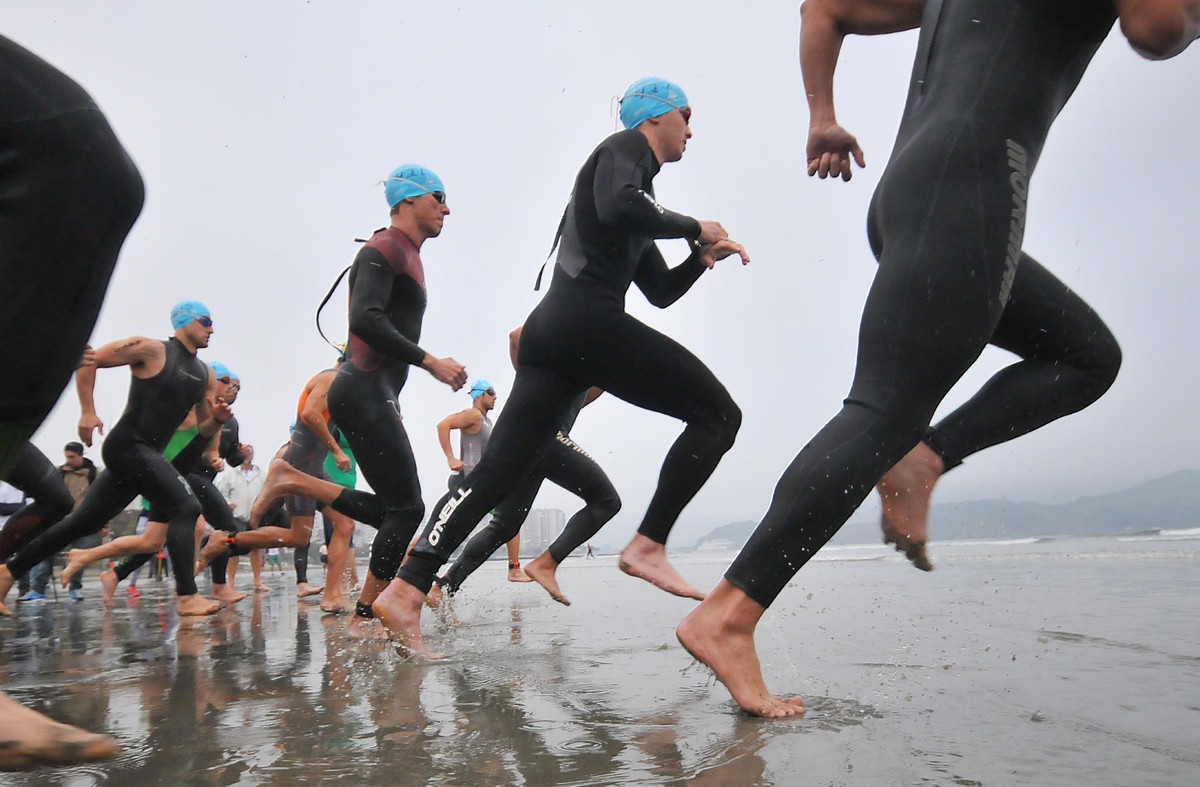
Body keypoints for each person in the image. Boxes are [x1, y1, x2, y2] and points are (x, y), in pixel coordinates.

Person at [676, 0, 1199, 719]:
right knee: (881, 410)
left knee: (1086, 355)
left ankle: (924, 457)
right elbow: (1156, 27)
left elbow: (822, 6)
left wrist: (821, 116)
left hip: (913, 190)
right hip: (974, 186)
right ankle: (729, 613)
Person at [385, 77, 750, 658]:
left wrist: (698, 258)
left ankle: (406, 591)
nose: (691, 129)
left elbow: (657, 291)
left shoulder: (634, 203)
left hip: (554, 337)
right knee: (719, 416)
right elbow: (622, 204)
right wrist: (693, 225)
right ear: (655, 118)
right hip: (583, 325)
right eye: (685, 115)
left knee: (498, 474)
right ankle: (648, 544)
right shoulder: (625, 151)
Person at [199, 164, 466, 636]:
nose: (446, 207)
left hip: (376, 391)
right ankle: (370, 615)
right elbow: (365, 319)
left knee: (397, 511)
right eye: (437, 196)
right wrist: (430, 362)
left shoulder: (407, 252)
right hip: (361, 389)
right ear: (406, 200)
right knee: (407, 509)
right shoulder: (383, 248)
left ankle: (291, 483)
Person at [0, 33, 144, 769]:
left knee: (115, 523)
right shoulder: (159, 347)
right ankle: (66, 567)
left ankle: (69, 566)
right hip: (130, 451)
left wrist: (218, 444)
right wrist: (88, 409)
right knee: (84, 169)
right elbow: (92, 356)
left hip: (156, 460)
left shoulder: (210, 390)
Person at [0, 301, 227, 619]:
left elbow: (203, 428)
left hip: (146, 454)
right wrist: (88, 410)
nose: (211, 329)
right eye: (205, 321)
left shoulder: (205, 374)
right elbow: (88, 359)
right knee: (186, 507)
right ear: (184, 321)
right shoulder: (150, 349)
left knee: (82, 523)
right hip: (126, 446)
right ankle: (187, 597)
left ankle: (7, 573)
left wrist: (216, 420)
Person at [430, 326, 621, 606]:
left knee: (504, 526)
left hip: (529, 449)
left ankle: (445, 584)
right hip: (548, 440)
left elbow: (592, 391)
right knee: (607, 502)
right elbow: (516, 336)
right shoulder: (552, 365)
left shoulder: (580, 382)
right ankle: (547, 562)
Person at [434, 378, 530, 582]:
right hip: (468, 482)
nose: (495, 397)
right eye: (491, 392)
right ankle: (513, 569)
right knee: (509, 520)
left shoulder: (486, 421)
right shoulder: (472, 415)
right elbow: (443, 425)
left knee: (443, 531)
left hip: (480, 484)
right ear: (479, 394)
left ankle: (442, 578)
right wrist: (451, 457)